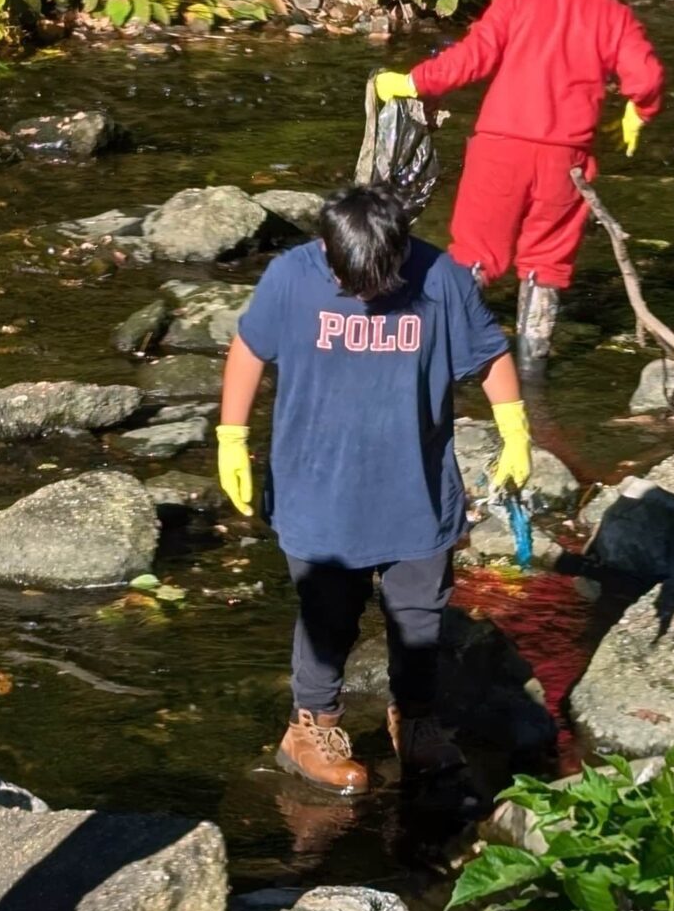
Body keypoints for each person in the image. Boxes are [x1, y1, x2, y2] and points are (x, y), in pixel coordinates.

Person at [216, 182, 530, 794]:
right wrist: (231, 436)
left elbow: (489, 354)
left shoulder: (441, 279)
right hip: (318, 488)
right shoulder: (291, 277)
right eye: (348, 280)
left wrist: (515, 429)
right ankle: (310, 728)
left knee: (420, 613)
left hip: (416, 487)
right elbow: (249, 348)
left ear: (399, 250)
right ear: (327, 249)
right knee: (327, 614)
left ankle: (413, 720)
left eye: (375, 282)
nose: (363, 294)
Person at [370, 0, 665, 370]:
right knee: (547, 260)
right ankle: (532, 368)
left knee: (476, 252)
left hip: (501, 146)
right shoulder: (614, 13)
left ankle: (439, 357)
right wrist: (639, 112)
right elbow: (647, 78)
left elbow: (471, 59)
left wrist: (413, 82)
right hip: (567, 158)